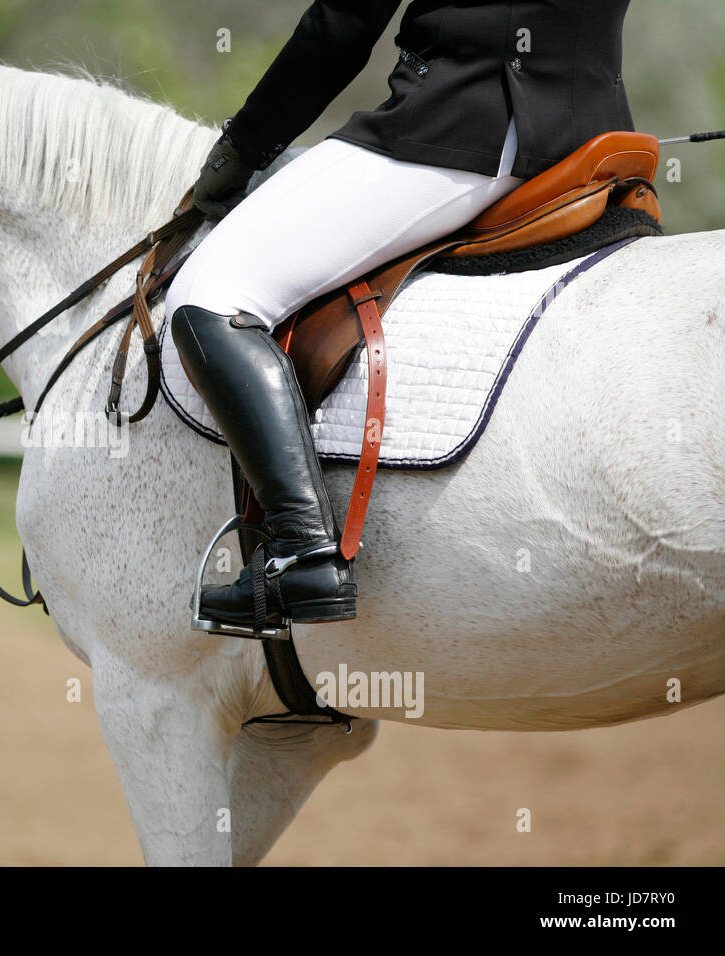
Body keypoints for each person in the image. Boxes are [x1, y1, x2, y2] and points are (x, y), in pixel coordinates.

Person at [168, 0, 635, 628]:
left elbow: (343, 23)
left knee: (209, 295)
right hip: (595, 134)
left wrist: (244, 145)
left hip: (459, 126)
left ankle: (300, 551)